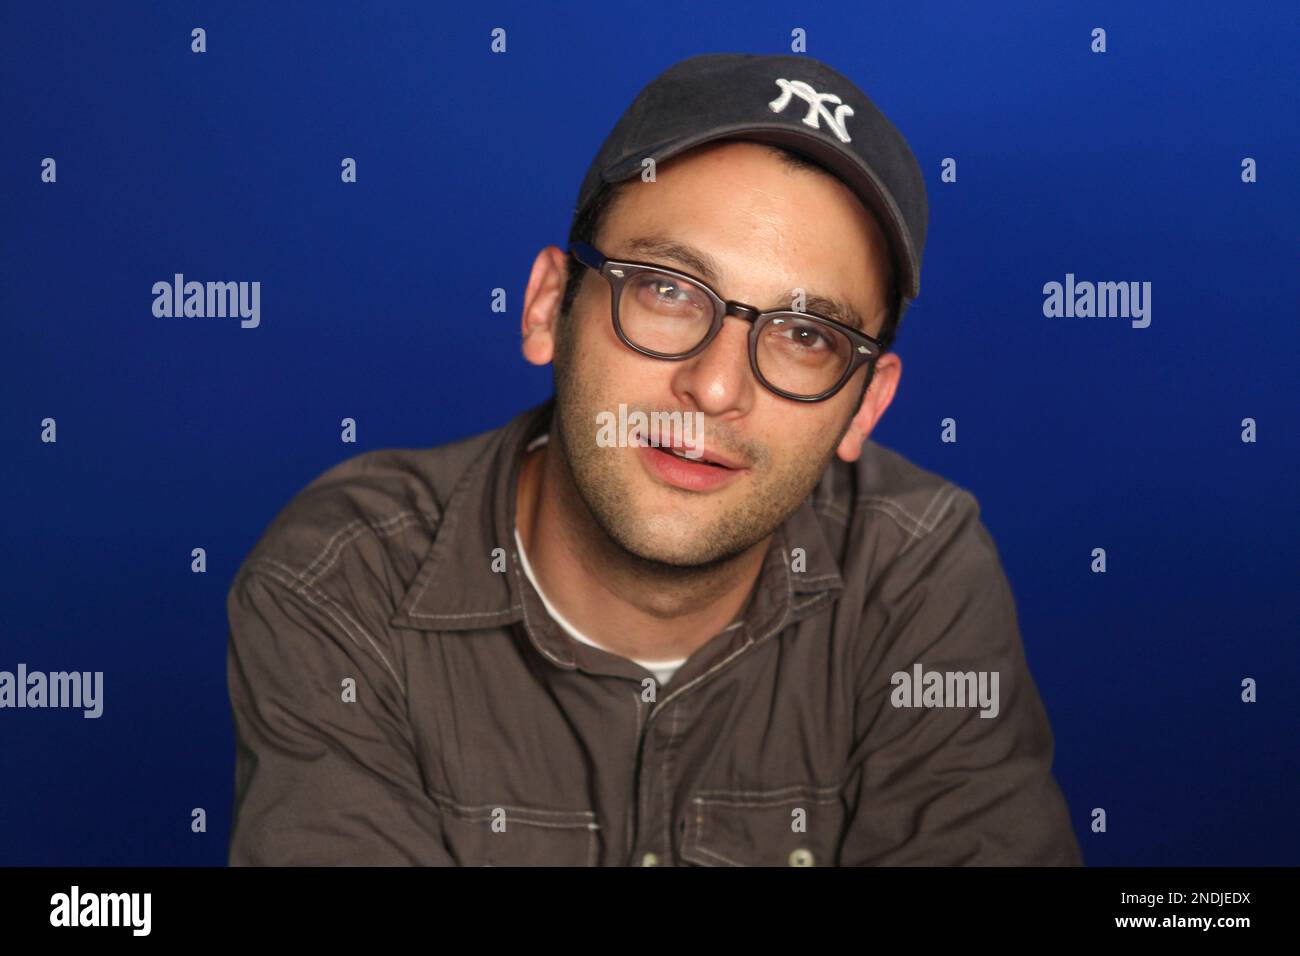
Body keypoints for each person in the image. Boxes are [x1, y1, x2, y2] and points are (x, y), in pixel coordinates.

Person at [226, 52, 1082, 866]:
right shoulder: (342, 582)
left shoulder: (916, 571)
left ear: (866, 404)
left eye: (804, 336)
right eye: (668, 290)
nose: (715, 389)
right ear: (548, 307)